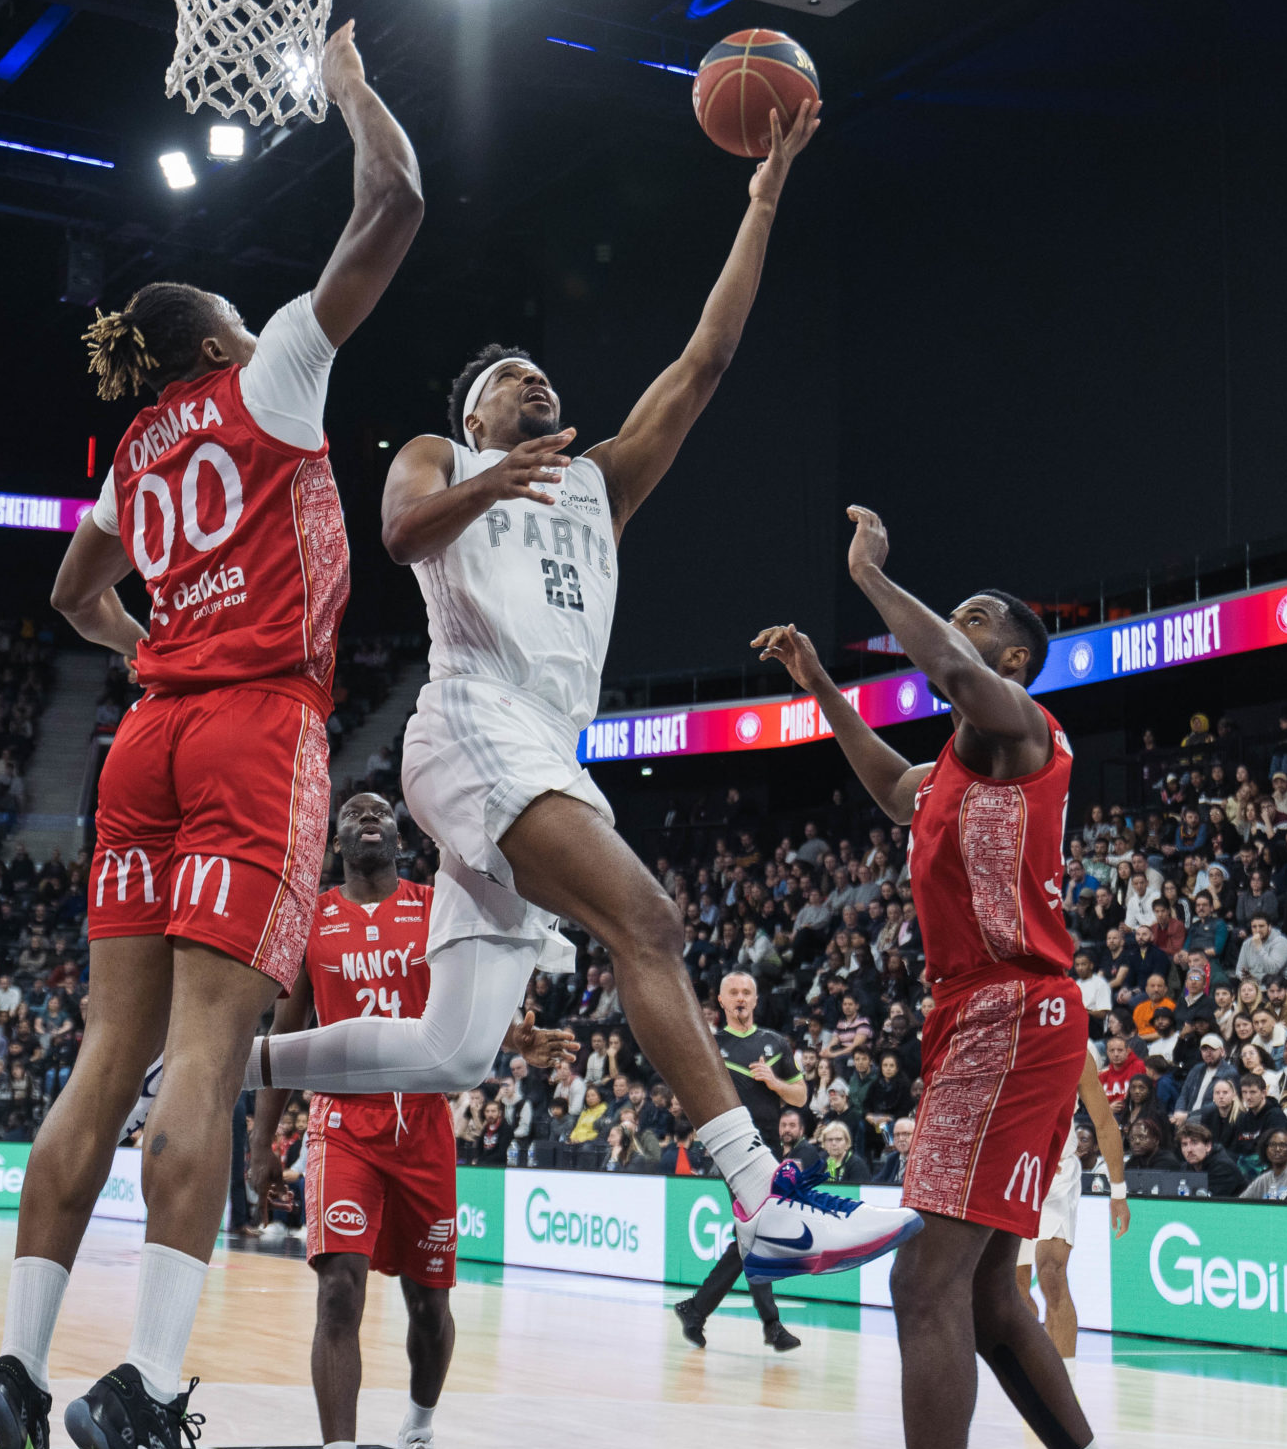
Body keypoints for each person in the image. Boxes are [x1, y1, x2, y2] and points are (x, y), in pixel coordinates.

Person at [241, 100, 911, 1283]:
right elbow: (397, 534)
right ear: (475, 415)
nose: (532, 383)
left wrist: (761, 199)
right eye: (509, 379)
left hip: (544, 741)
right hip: (470, 721)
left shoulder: (598, 482)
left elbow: (703, 361)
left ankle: (227, 1066)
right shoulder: (444, 458)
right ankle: (762, 1198)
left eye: (540, 374)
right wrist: (493, 481)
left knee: (452, 1053)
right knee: (648, 921)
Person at [0, 23, 426, 1449]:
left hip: (145, 739)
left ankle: (17, 1371)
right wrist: (351, 88)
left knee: (106, 1061)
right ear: (224, 335)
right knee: (206, 1072)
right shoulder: (271, 377)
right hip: (250, 730)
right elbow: (396, 207)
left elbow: (69, 596)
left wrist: (153, 629)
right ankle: (146, 1397)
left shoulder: (136, 451)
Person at [751, 518, 1167, 1449]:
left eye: (970, 622)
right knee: (982, 1299)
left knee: (919, 1284)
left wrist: (869, 576)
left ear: (1012, 658)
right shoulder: (951, 768)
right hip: (978, 1017)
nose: (947, 628)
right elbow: (894, 789)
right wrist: (821, 688)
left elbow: (949, 667)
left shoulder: (1022, 726)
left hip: (1012, 1008)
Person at [247, 795, 462, 1449]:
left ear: (399, 836)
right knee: (339, 1289)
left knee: (429, 1306)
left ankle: (418, 1439)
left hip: (424, 1123)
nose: (367, 815)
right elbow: (285, 1033)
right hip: (341, 1123)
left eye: (380, 810)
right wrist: (261, 1146)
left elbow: (475, 1002)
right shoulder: (310, 917)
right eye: (353, 811)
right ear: (336, 838)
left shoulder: (436, 906)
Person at [670, 971, 806, 1353]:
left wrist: (776, 1084)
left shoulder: (774, 1043)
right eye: (734, 992)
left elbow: (800, 1097)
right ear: (722, 1001)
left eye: (747, 991)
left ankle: (697, 1308)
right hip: (732, 1147)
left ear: (756, 1000)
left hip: (770, 1147)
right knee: (757, 1230)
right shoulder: (709, 1045)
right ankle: (772, 1326)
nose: (741, 997)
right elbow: (688, 1093)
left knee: (752, 1234)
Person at [1017, 1051, 1130, 1360]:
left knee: (1051, 1273)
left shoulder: (1076, 1052)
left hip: (1058, 1175)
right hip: (1014, 1173)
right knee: (1015, 1289)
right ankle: (1036, 1373)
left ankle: (1067, 1383)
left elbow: (1105, 1123)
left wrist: (1117, 1192)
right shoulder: (1007, 1041)